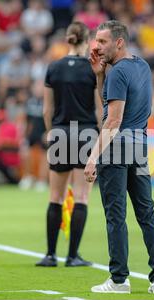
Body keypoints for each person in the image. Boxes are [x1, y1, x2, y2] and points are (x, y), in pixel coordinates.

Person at [84, 20, 154, 294]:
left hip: (117, 146)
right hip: (141, 144)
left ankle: (119, 280)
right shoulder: (141, 66)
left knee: (115, 216)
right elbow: (112, 104)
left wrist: (93, 157)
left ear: (119, 42)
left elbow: (112, 120)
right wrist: (99, 76)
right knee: (146, 212)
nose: (97, 46)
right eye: (96, 41)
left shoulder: (118, 72)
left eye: (103, 41)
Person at [35, 22, 102, 268]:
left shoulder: (53, 67)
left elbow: (46, 109)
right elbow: (99, 109)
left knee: (55, 196)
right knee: (82, 196)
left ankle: (50, 254)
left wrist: (50, 132)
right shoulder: (92, 70)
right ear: (87, 41)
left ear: (67, 39)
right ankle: (73, 256)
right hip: (85, 133)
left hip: (60, 133)